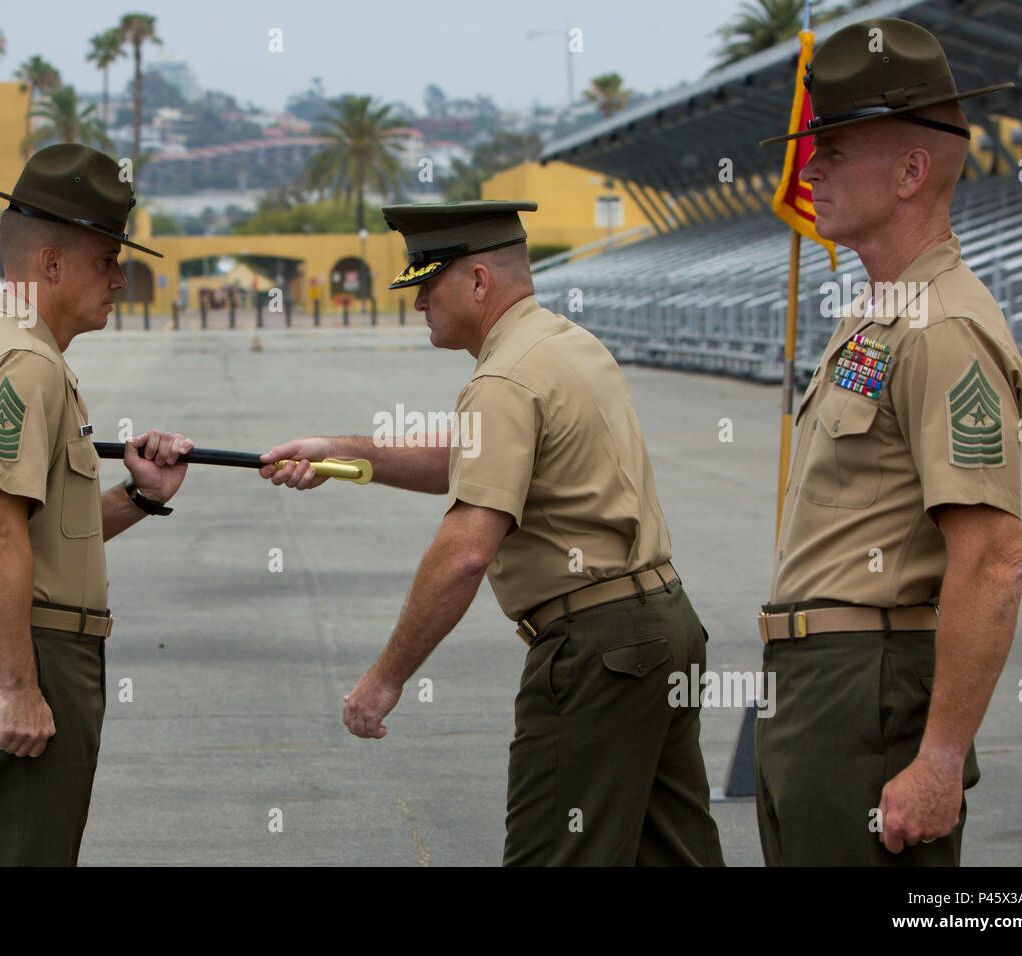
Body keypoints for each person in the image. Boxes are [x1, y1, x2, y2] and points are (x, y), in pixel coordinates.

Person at [260, 200, 724, 866]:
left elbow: (464, 555)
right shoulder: (562, 343)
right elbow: (474, 458)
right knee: (673, 854)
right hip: (660, 629)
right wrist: (339, 452)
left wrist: (384, 679)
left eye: (429, 280)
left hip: (598, 652)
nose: (418, 300)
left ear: (478, 282)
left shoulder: (504, 378)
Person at [755, 18, 1022, 865]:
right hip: (819, 689)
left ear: (913, 171)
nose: (811, 168)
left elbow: (992, 560)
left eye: (835, 148)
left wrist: (940, 760)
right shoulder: (884, 311)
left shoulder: (942, 325)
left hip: (867, 693)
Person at [0, 143, 194, 865]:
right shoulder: (26, 366)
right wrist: (19, 686)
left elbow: (43, 530)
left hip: (37, 645)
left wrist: (140, 495)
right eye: (104, 259)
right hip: (30, 650)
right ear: (49, 264)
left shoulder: (23, 353)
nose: (119, 277)